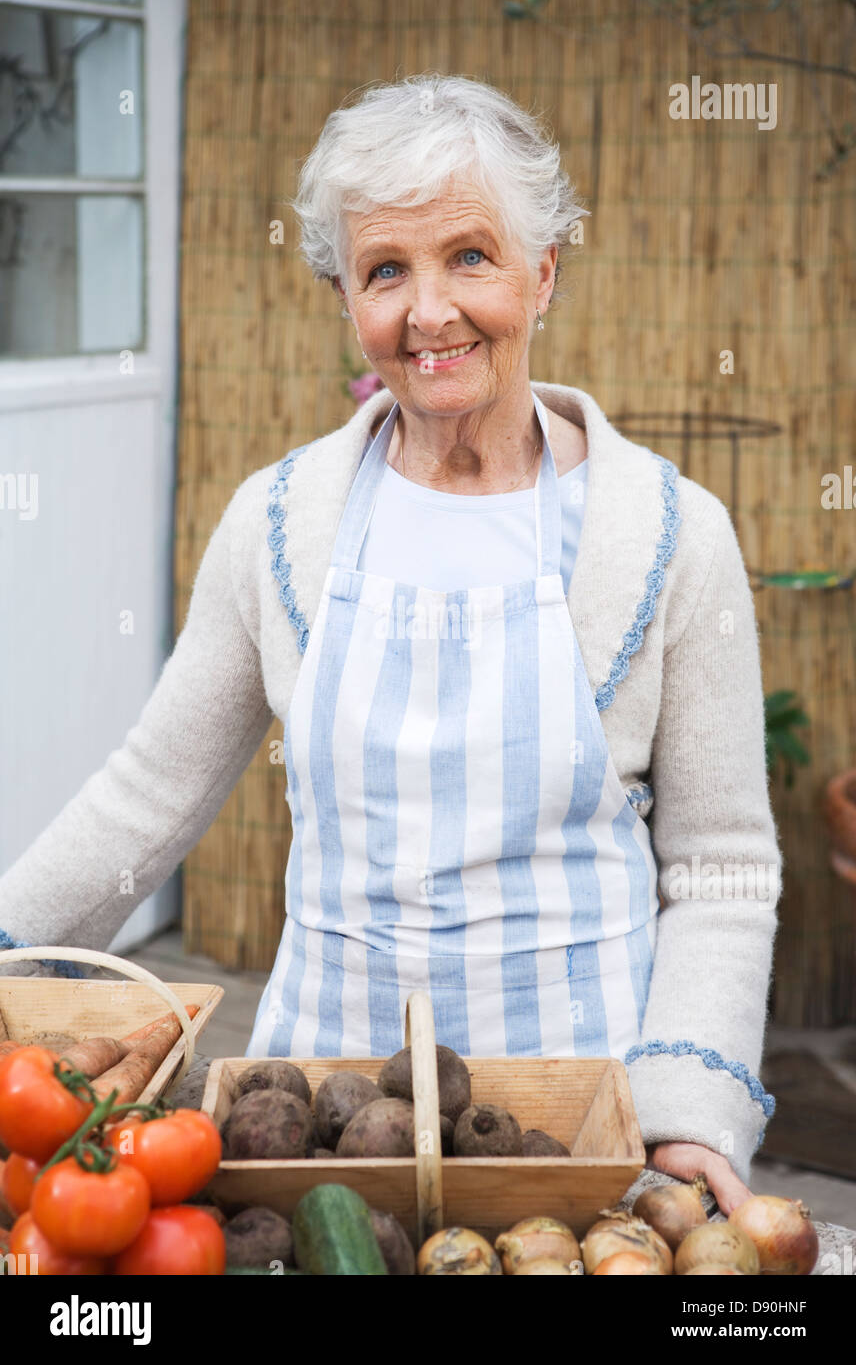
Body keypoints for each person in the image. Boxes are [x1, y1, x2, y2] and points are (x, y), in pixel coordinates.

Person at [0, 73, 782, 1213]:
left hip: (574, 1149)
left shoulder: (667, 534)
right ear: (344, 296)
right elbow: (146, 796)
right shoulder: (281, 522)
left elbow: (721, 865)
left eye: (471, 256)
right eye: (385, 271)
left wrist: (685, 1112)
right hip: (308, 1139)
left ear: (544, 271)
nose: (429, 312)